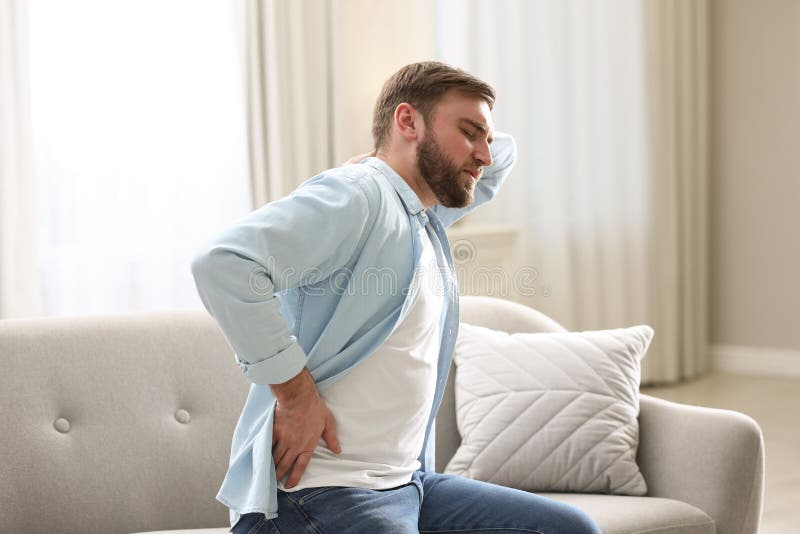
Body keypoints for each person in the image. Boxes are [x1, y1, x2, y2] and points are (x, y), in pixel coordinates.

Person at [191, 61, 601, 534]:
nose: (484, 154)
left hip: (409, 485)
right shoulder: (361, 195)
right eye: (469, 133)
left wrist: (460, 130)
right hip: (319, 493)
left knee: (571, 528)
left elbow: (501, 158)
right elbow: (223, 263)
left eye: (484, 137)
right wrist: (295, 394)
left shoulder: (422, 216)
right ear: (408, 122)